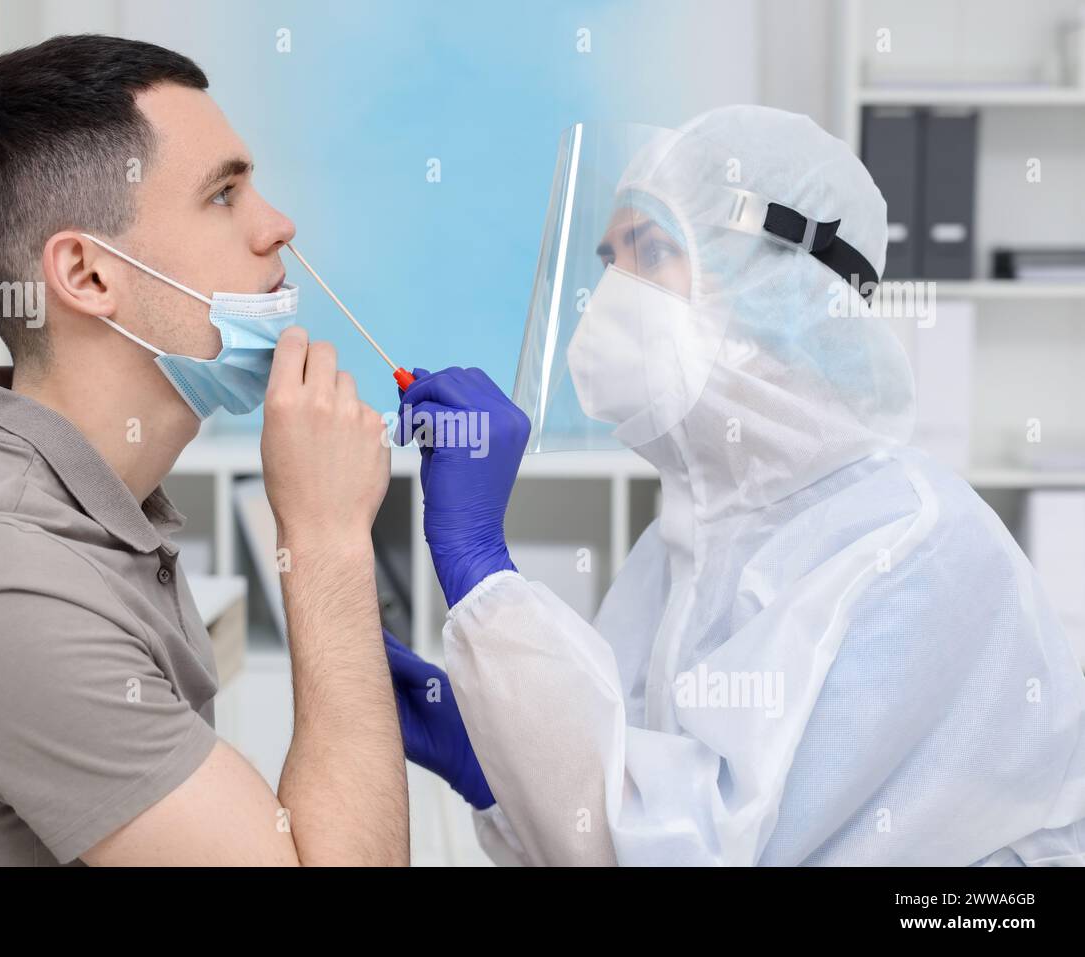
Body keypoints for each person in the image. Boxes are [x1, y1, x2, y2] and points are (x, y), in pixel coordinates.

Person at [392, 105, 1085, 866]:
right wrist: (489, 760)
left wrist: (481, 567)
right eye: (607, 258)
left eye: (650, 250)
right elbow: (622, 798)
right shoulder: (685, 540)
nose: (613, 291)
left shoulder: (909, 544)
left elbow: (689, 853)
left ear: (772, 287)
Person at [0, 35, 408, 866]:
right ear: (90, 276)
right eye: (223, 194)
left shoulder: (97, 502)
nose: (277, 225)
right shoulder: (1, 583)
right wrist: (327, 543)